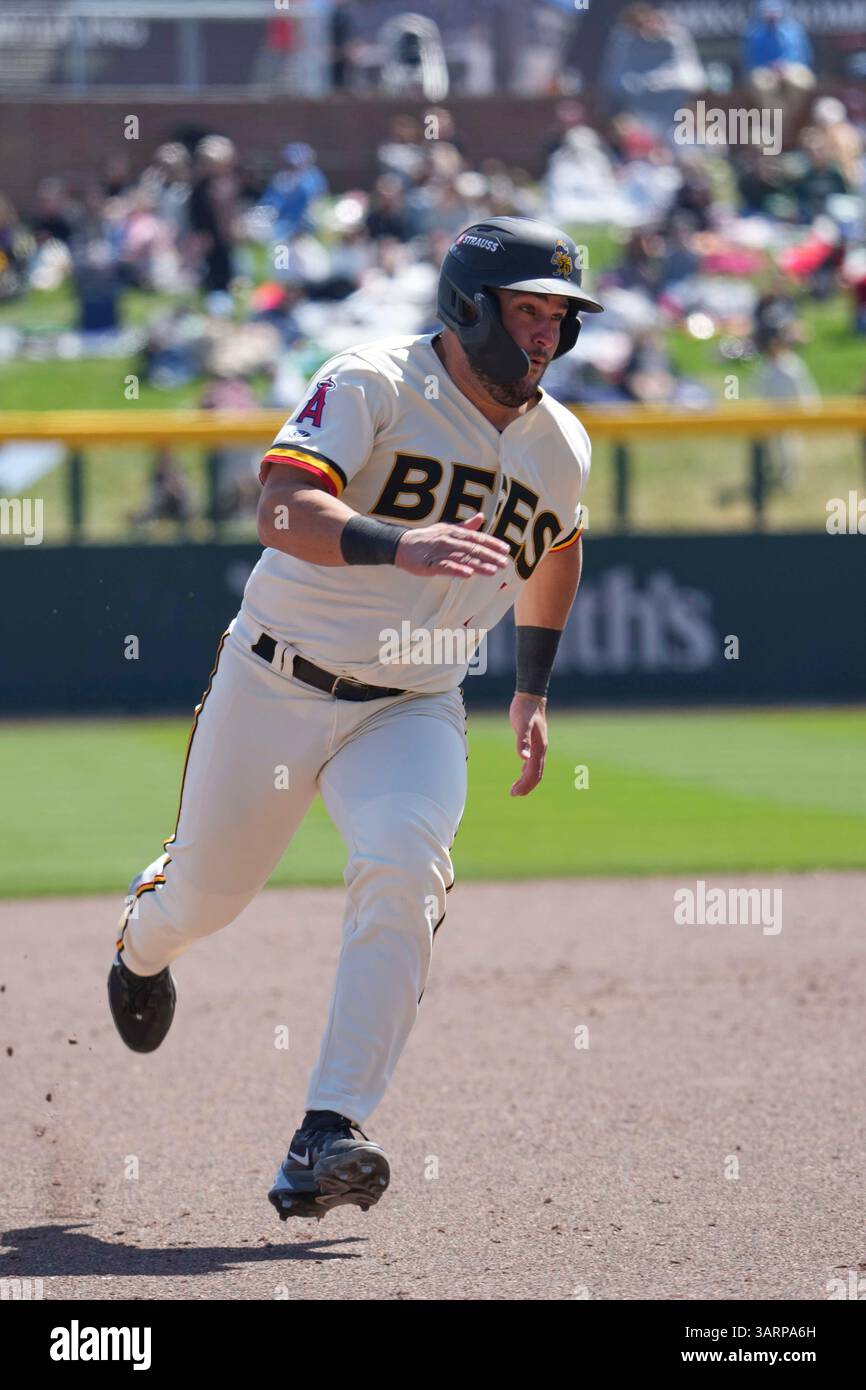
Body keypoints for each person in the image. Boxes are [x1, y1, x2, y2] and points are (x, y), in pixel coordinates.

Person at [107, 215, 603, 1222]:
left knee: (403, 863)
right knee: (205, 901)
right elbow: (282, 509)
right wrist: (395, 545)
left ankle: (325, 1130)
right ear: (470, 308)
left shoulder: (560, 442)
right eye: (526, 311)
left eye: (559, 315)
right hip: (276, 680)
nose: (546, 334)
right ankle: (139, 944)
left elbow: (557, 547)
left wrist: (532, 685)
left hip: (414, 703)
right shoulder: (373, 379)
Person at [743, 0, 815, 123]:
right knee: (759, 85)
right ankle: (779, 119)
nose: (772, 15)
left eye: (775, 12)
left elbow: (804, 55)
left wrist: (785, 67)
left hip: (791, 68)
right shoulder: (753, 33)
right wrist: (770, 68)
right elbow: (750, 60)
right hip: (765, 71)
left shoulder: (795, 30)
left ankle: (790, 117)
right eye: (768, 12)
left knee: (803, 82)